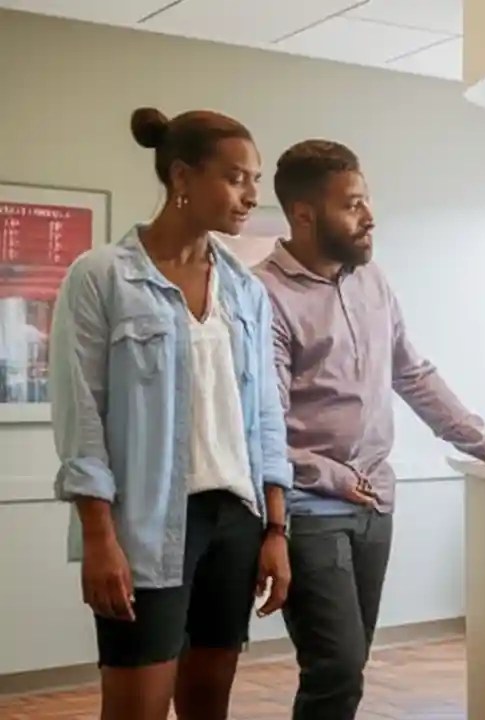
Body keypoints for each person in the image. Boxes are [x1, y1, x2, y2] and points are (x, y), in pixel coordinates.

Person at [255, 139, 485, 720]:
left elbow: (412, 373)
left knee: (348, 669)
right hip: (307, 506)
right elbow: (259, 419)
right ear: (304, 215)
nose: (369, 217)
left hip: (375, 505)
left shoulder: (373, 283)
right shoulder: (263, 293)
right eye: (353, 204)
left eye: (367, 200)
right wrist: (330, 475)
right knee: (335, 666)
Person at [48, 107, 292, 720]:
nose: (251, 196)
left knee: (209, 706)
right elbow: (83, 416)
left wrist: (276, 528)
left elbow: (265, 414)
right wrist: (100, 538)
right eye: (237, 178)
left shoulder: (246, 291)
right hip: (146, 526)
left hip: (235, 521)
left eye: (255, 180)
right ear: (182, 178)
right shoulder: (102, 277)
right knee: (136, 709)